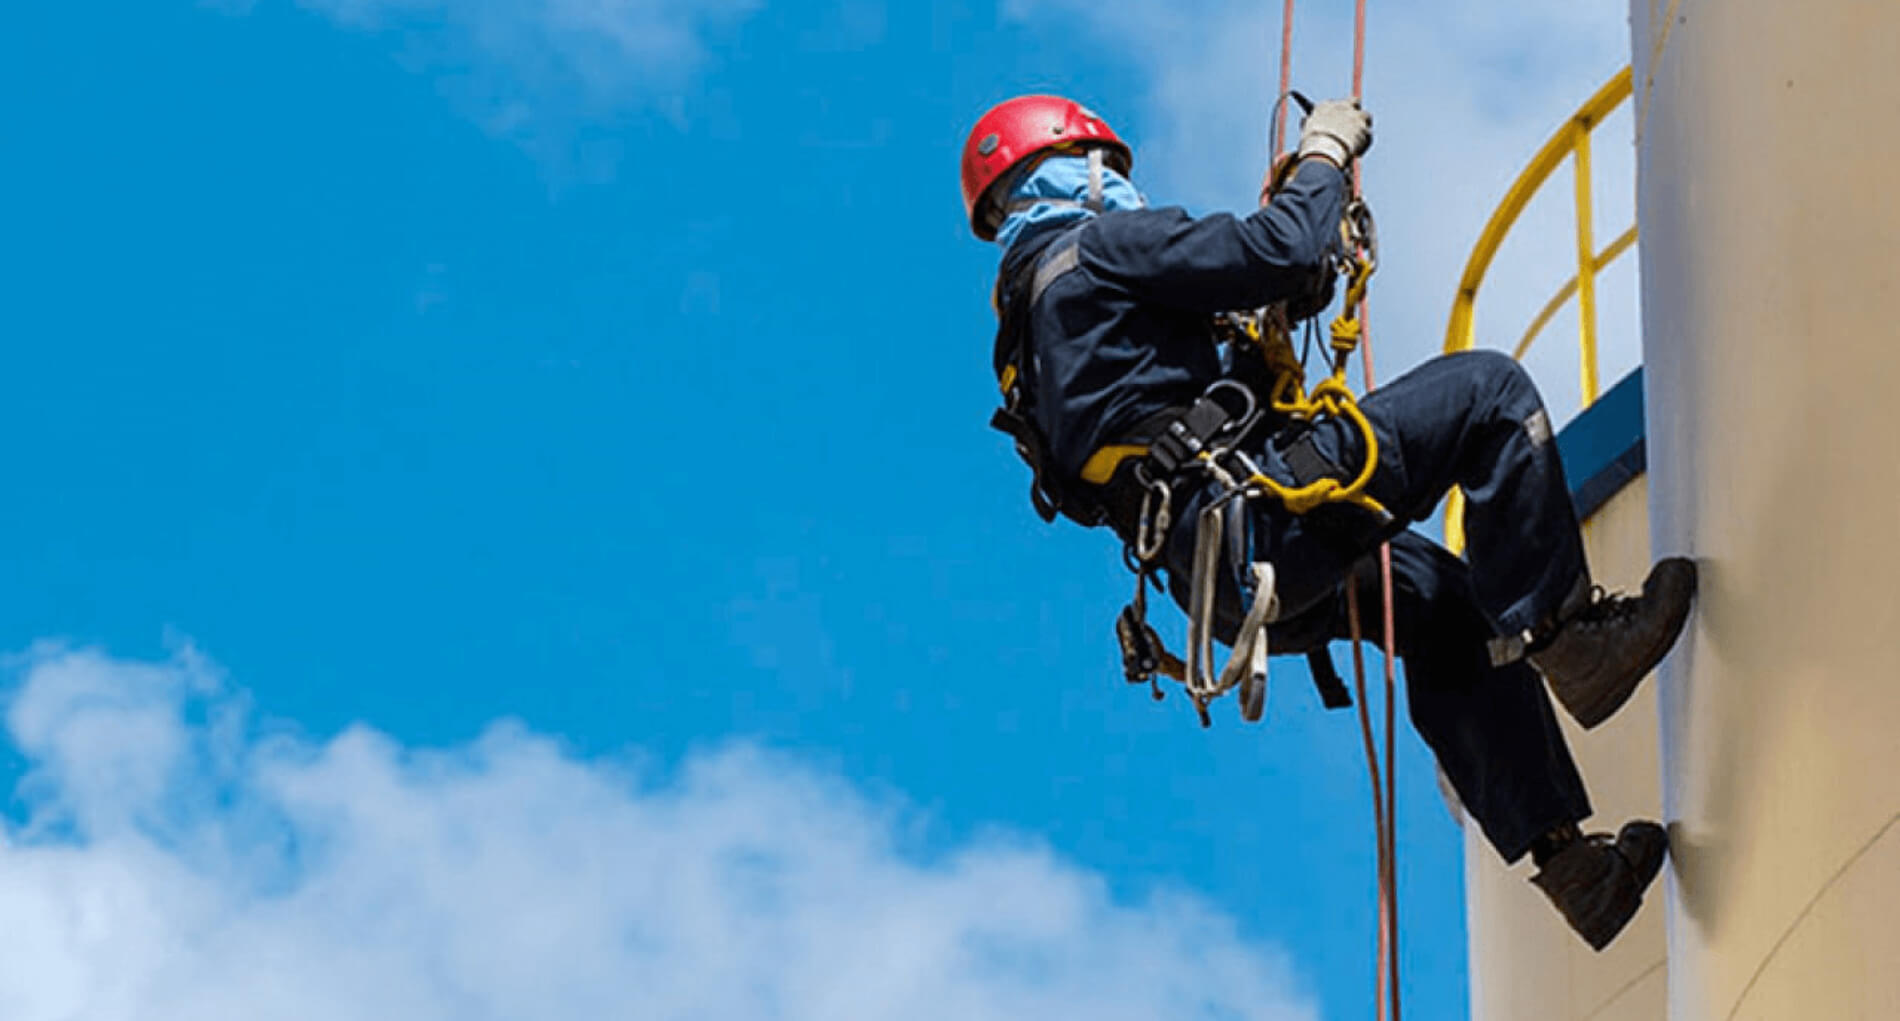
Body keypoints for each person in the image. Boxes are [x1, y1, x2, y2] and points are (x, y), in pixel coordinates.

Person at [960, 93, 1697, 950]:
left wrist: (1276, 308)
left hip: (1226, 579)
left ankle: (1575, 871)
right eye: (1107, 172)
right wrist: (1321, 157)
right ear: (1072, 172)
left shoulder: (1031, 336)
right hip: (1257, 521)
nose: (1120, 187)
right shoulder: (1099, 247)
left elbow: (1182, 376)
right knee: (1488, 395)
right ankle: (1575, 640)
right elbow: (1277, 249)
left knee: (1443, 607)